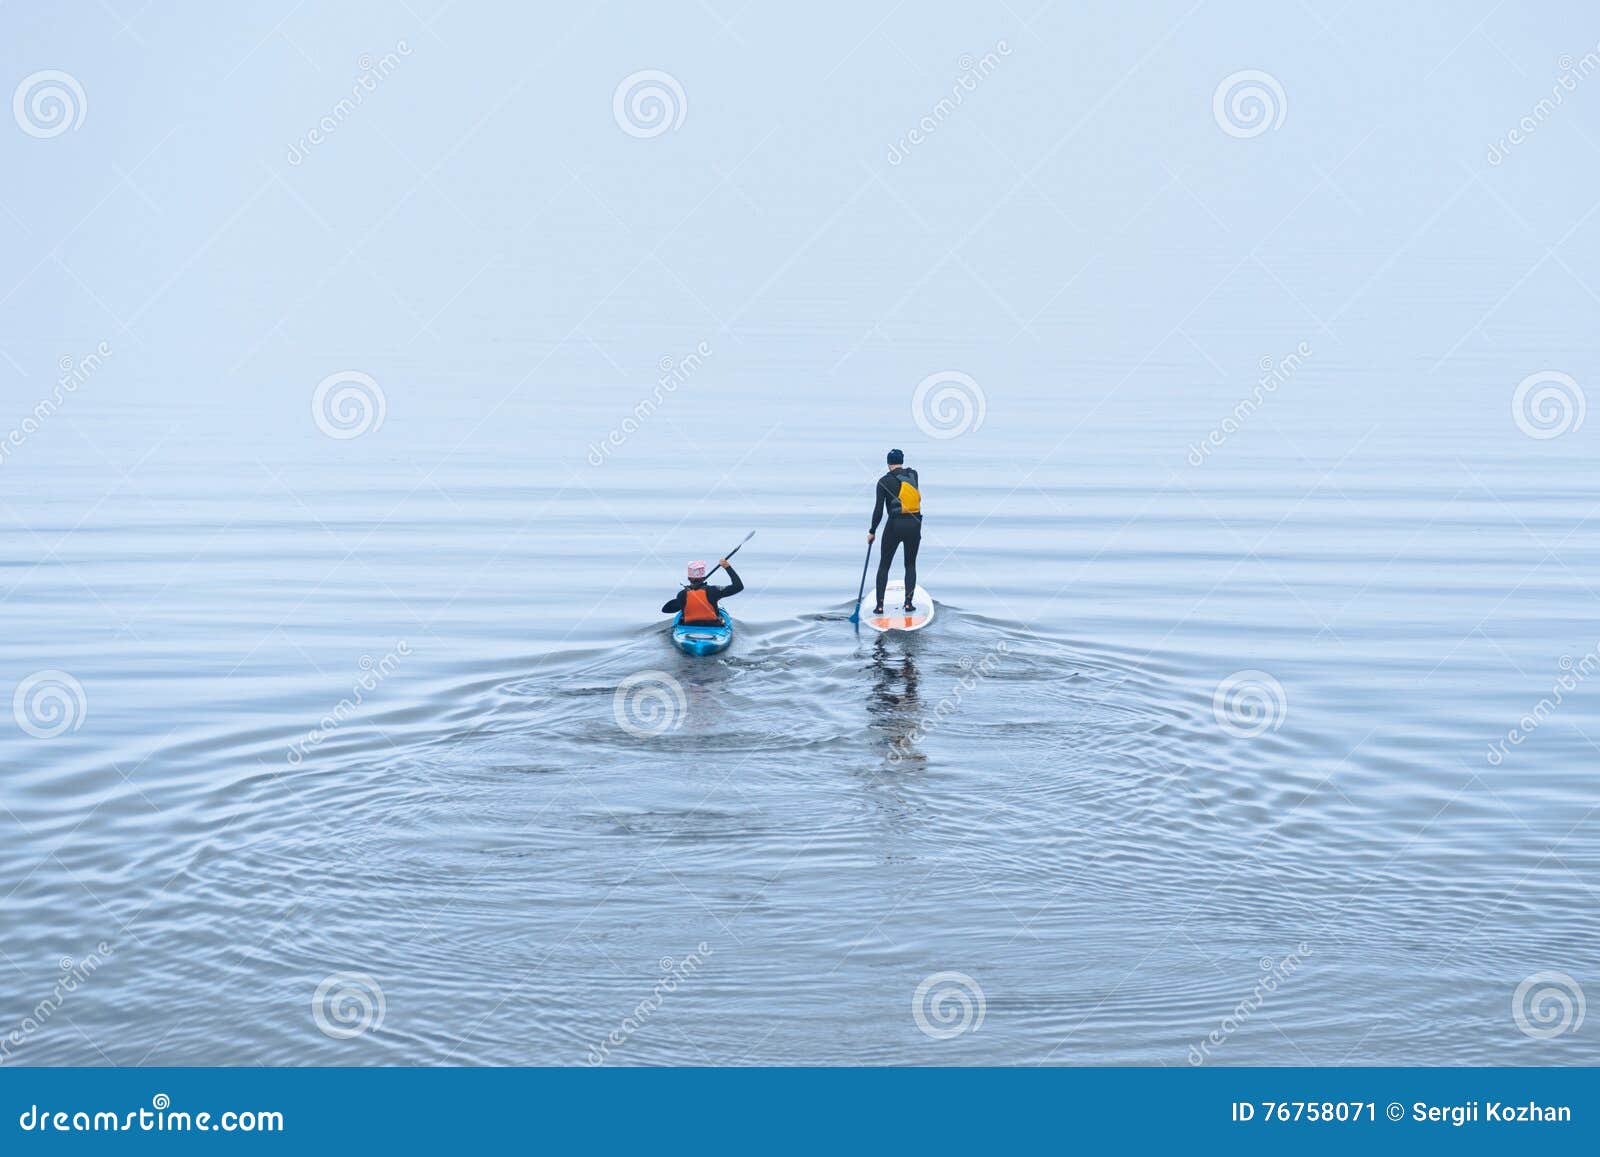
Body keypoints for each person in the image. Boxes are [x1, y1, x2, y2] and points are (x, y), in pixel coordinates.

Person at [867, 448, 922, 614]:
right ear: (902, 461)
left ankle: (880, 606)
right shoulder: (914, 475)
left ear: (888, 463)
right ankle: (908, 604)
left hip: (895, 526)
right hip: (914, 524)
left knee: (884, 565)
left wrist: (872, 531)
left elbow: (878, 510)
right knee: (910, 565)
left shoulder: (883, 481)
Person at [661, 558, 743, 623]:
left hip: (689, 626)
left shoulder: (681, 595)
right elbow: (738, 586)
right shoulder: (714, 591)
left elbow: (665, 610)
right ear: (703, 577)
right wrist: (727, 567)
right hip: (713, 626)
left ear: (688, 578)